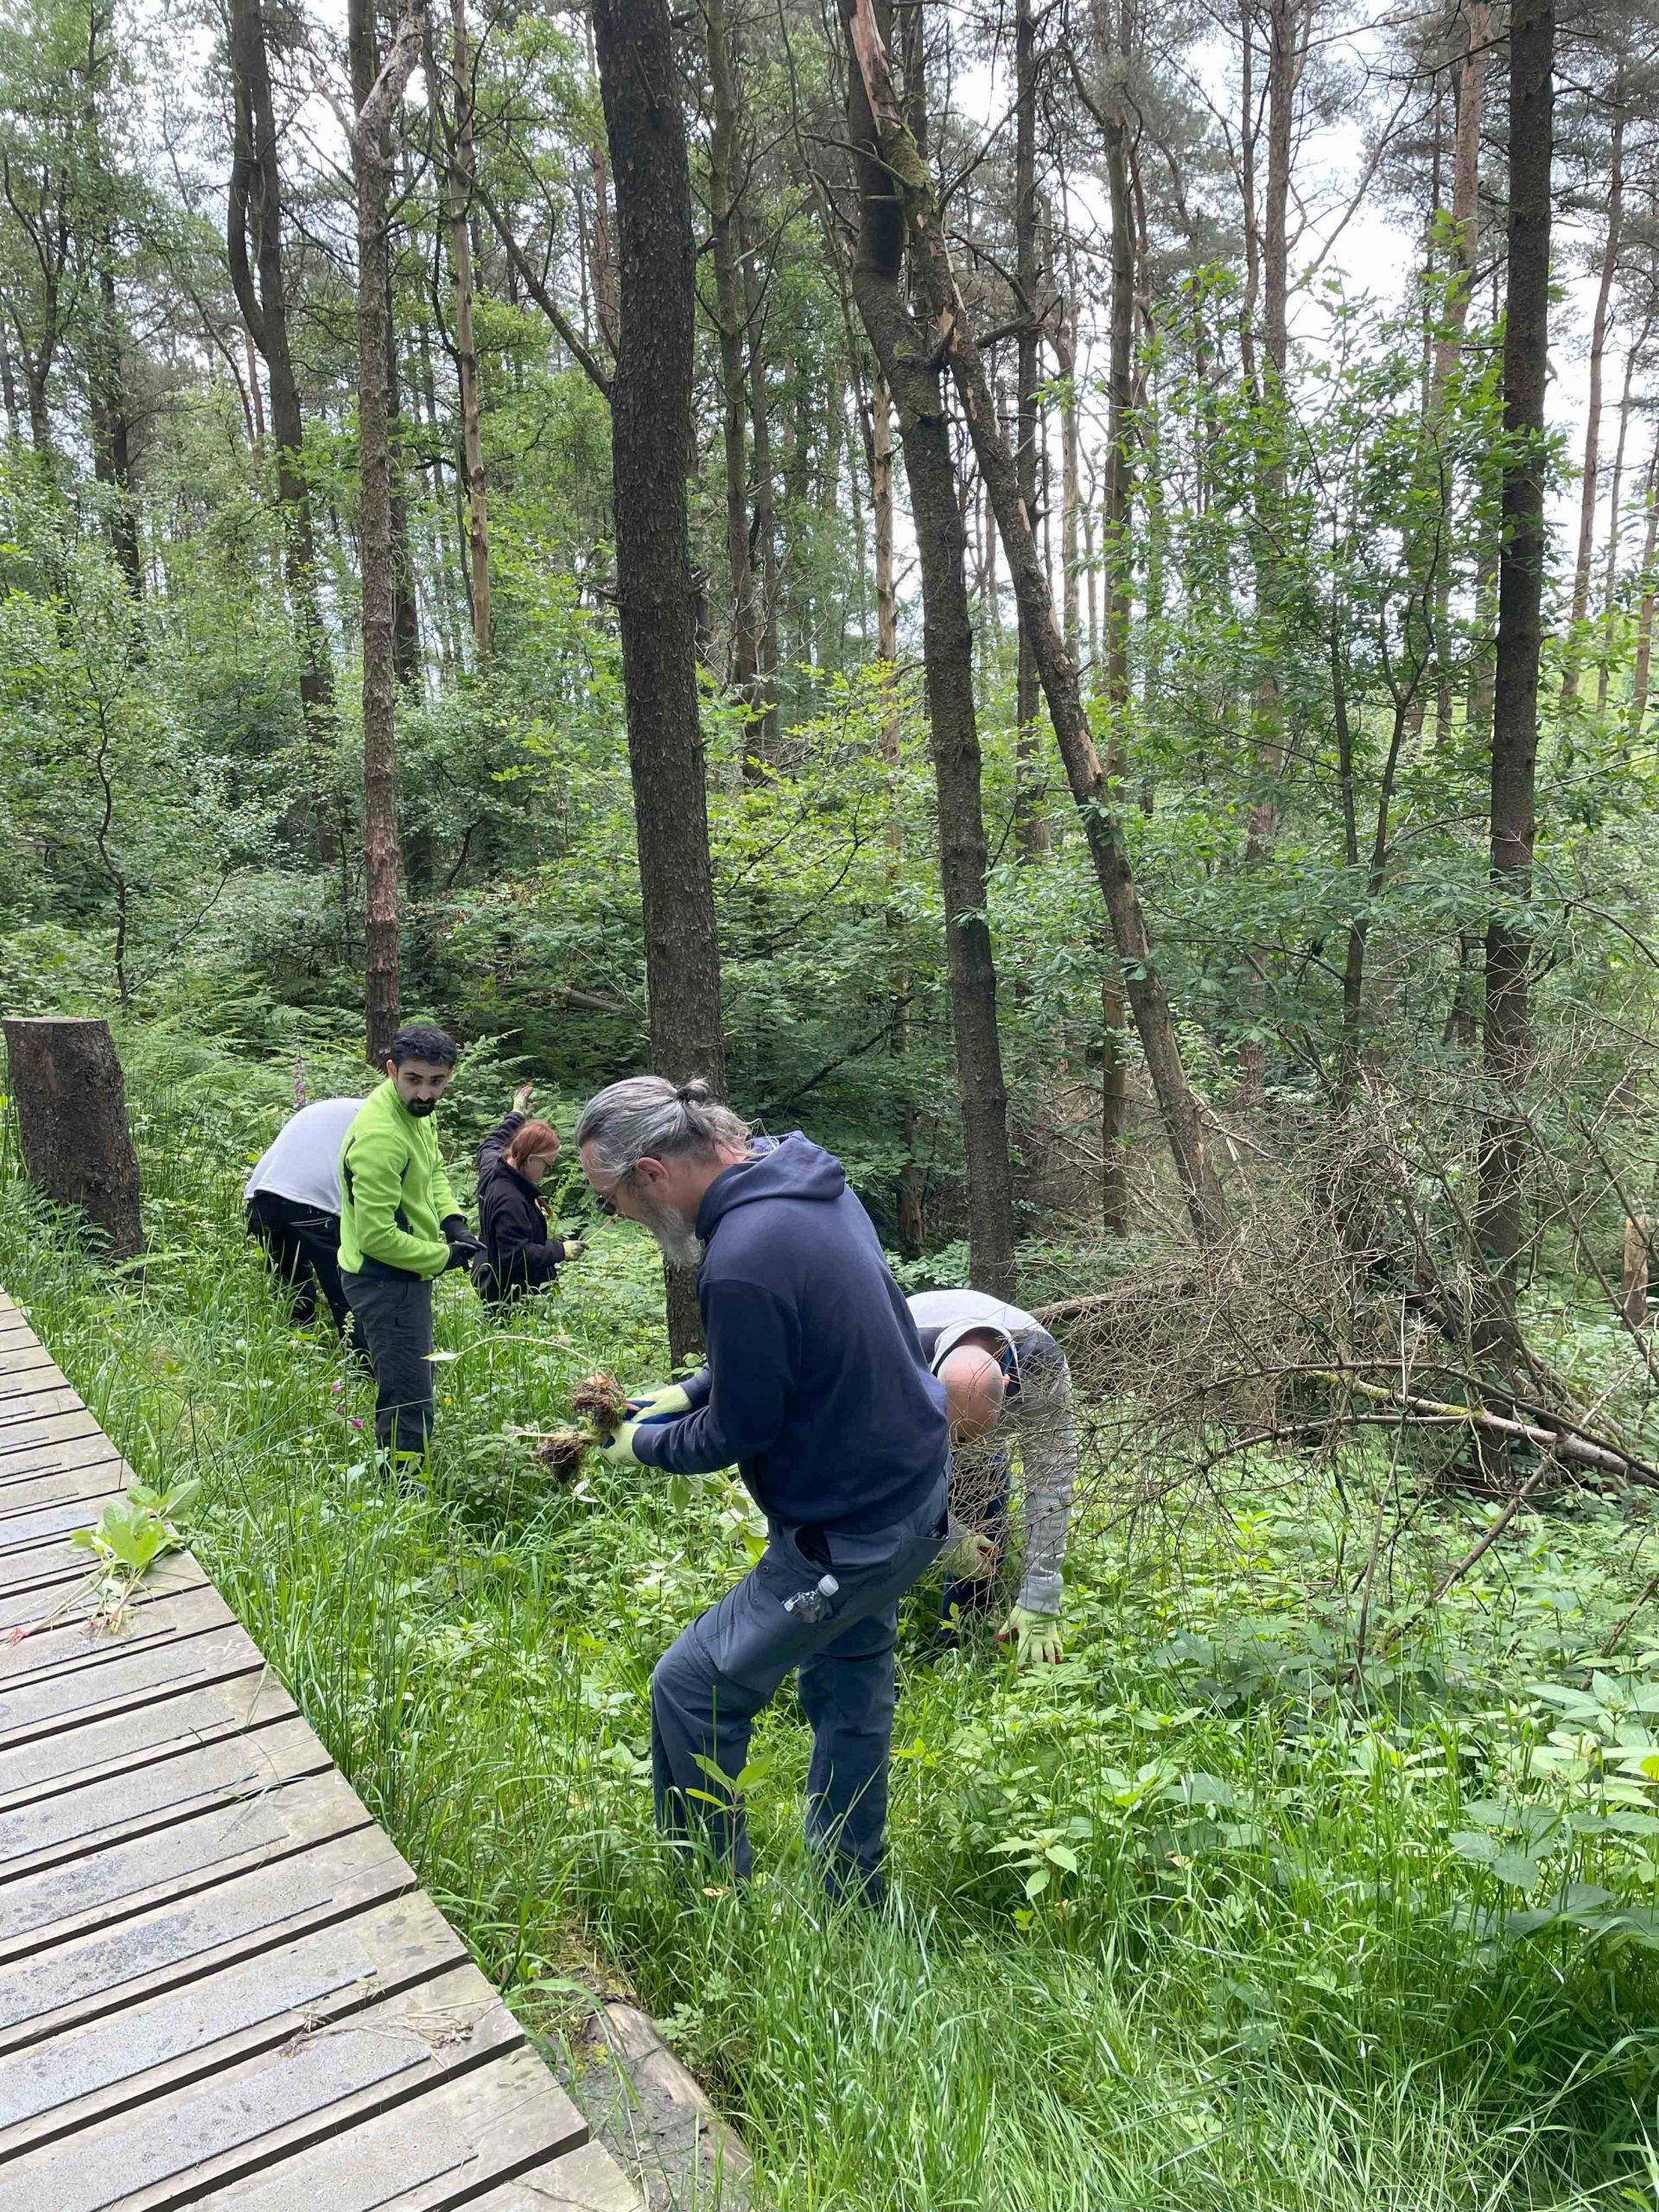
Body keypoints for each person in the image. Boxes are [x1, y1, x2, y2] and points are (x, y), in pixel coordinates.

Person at [575, 1075, 949, 1904]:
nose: (619, 1222)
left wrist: (640, 1445)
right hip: (909, 1490)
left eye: (610, 1202)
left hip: (850, 1532)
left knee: (691, 1687)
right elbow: (794, 1343)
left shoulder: (740, 1257)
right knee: (848, 1684)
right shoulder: (803, 1174)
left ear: (653, 1174)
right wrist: (685, 1391)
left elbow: (741, 1432)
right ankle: (853, 1892)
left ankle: (713, 1900)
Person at [907, 1287, 1078, 1666]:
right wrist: (945, 1537)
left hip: (990, 1420)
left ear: (1006, 1383)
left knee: (985, 1528)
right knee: (882, 1539)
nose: (966, 1450)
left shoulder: (1042, 1365)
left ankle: (961, 1643)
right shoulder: (893, 1346)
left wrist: (1041, 1596)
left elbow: (1052, 1480)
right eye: (960, 1437)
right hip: (909, 1438)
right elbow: (873, 1473)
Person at [336, 1023, 480, 1465]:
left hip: (404, 1270)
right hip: (384, 1278)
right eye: (414, 1080)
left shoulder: (416, 1113)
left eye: (437, 1082)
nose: (425, 1094)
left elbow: (433, 1169)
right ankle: (404, 1492)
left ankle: (404, 1477)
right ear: (391, 1070)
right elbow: (376, 1237)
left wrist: (452, 1220)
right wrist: (443, 1257)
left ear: (449, 1075)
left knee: (413, 1373)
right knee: (408, 1392)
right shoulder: (382, 1136)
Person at [244, 1096, 360, 1336]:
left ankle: (297, 1348)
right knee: (346, 1291)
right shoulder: (380, 1117)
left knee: (291, 1286)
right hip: (314, 1204)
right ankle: (364, 1367)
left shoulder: (329, 1109)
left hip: (261, 1198)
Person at [474, 1084, 585, 1306]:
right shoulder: (510, 1200)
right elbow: (514, 1255)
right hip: (511, 1300)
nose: (546, 1173)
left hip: (493, 1279)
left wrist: (516, 1115)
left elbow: (489, 1143)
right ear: (532, 1158)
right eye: (547, 1165)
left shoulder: (494, 1164)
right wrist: (560, 1251)